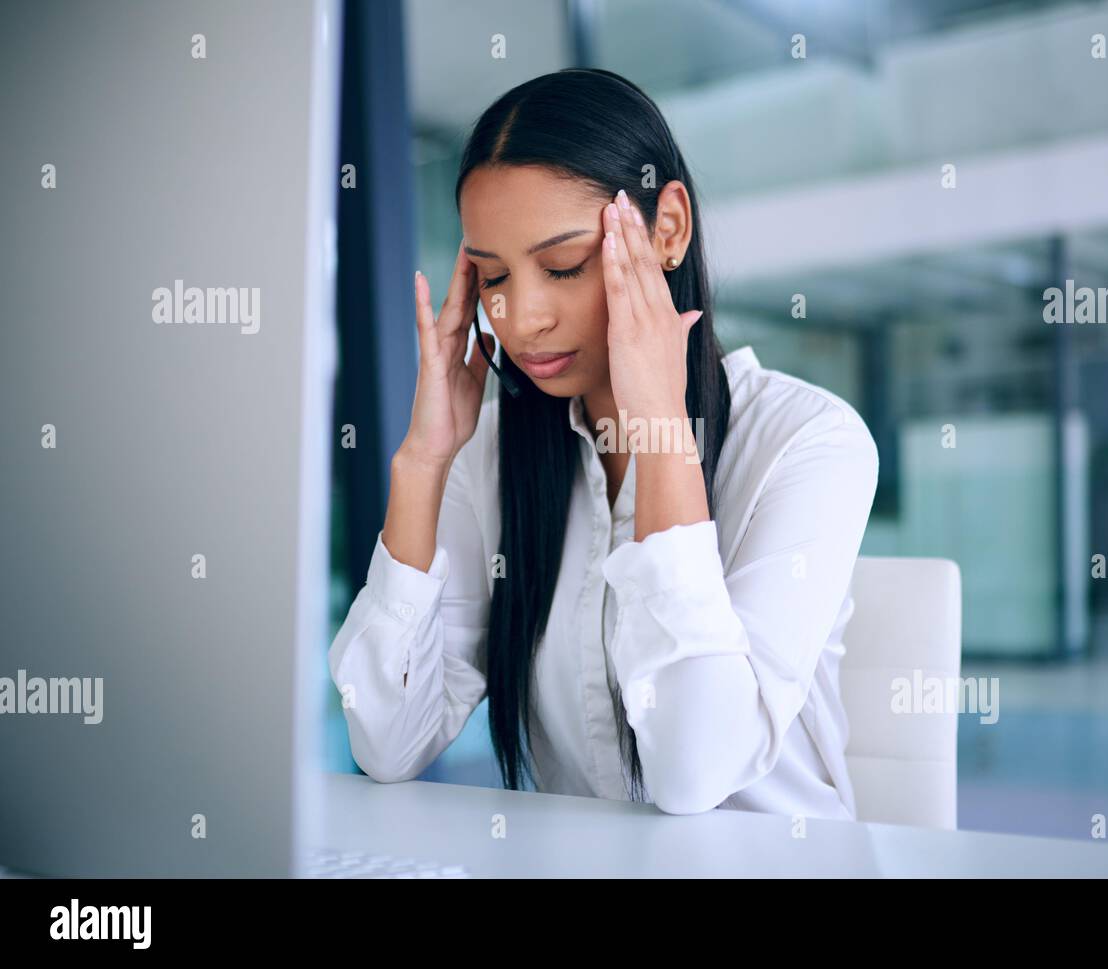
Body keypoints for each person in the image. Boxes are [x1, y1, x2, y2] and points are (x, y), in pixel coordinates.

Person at [328, 68, 878, 819]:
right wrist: (423, 464)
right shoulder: (488, 456)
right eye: (493, 277)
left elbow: (692, 774)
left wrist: (659, 428)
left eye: (562, 267)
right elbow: (387, 744)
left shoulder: (810, 443)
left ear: (668, 228)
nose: (521, 320)